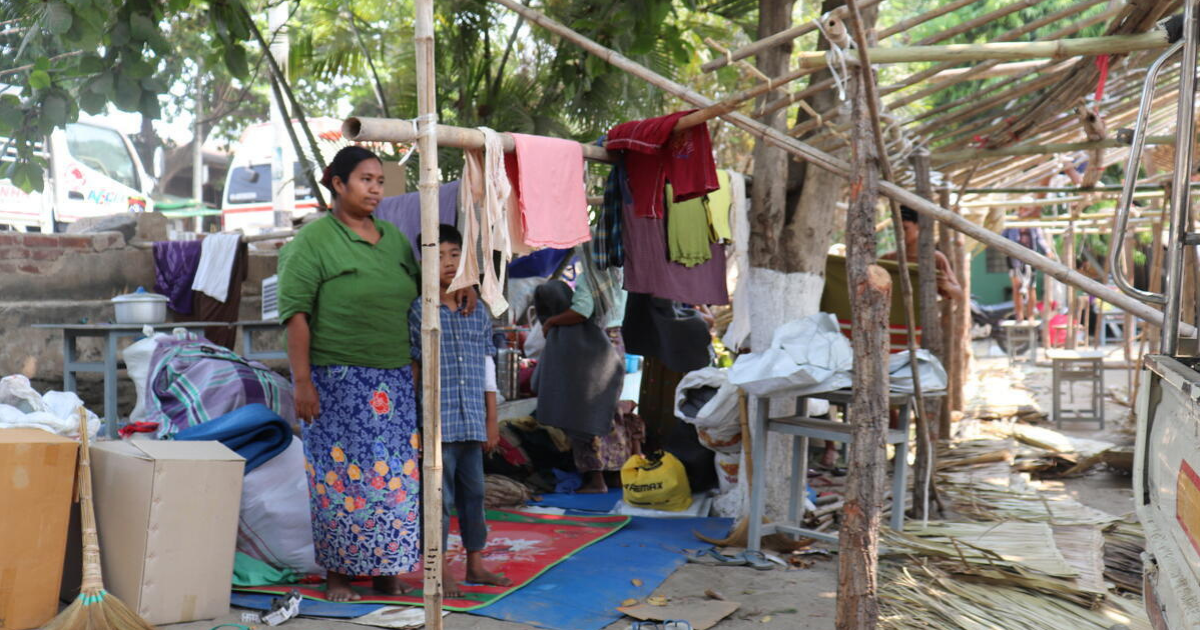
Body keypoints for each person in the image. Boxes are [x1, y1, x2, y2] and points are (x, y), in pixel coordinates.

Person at [278, 147, 475, 602]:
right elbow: (296, 316)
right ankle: (339, 576)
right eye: (365, 179)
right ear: (338, 183)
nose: (375, 189)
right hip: (337, 381)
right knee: (341, 478)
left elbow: (426, 284)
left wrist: (466, 282)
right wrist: (302, 381)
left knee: (394, 479)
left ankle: (386, 571)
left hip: (395, 380)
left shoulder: (391, 237)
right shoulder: (312, 243)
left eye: (380, 181)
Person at [408, 224, 512, 596]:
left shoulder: (477, 310)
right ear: (424, 262)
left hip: (472, 420)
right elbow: (415, 368)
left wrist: (492, 419)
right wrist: (414, 422)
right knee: (439, 498)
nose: (448, 263)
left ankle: (475, 564)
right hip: (437, 423)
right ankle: (438, 569)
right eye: (438, 256)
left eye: (454, 255)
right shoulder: (421, 309)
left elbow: (487, 369)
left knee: (474, 493)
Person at [1001, 205, 1053, 321]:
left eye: (1026, 209)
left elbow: (1040, 238)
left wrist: (1047, 250)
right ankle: (1019, 315)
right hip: (1014, 258)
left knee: (1031, 287)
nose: (1024, 211)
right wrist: (1006, 249)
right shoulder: (1012, 220)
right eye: (1022, 209)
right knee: (1017, 287)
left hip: (1030, 258)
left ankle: (1030, 315)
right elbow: (1002, 236)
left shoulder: (1033, 221)